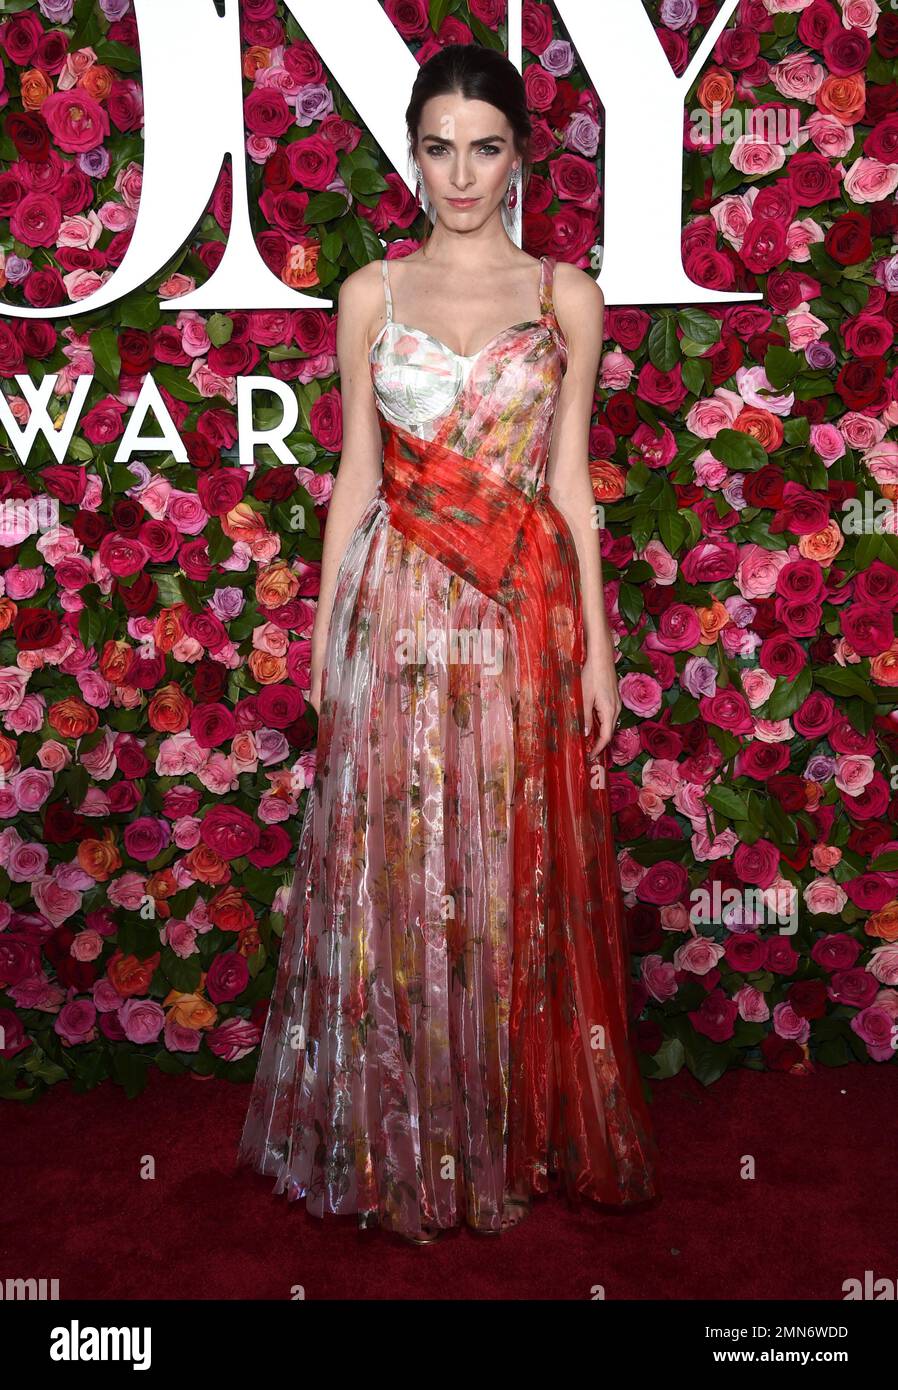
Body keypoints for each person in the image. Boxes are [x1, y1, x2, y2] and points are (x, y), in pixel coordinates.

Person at [237, 42, 660, 1245]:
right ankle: (398, 1128)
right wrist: (323, 639)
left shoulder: (560, 293)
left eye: (484, 146)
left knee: (503, 862)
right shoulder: (370, 292)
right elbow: (354, 478)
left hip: (520, 609)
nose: (460, 173)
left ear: (520, 154)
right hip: (398, 603)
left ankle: (504, 1121)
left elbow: (571, 487)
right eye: (437, 146)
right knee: (403, 861)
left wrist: (601, 652)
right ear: (410, 155)